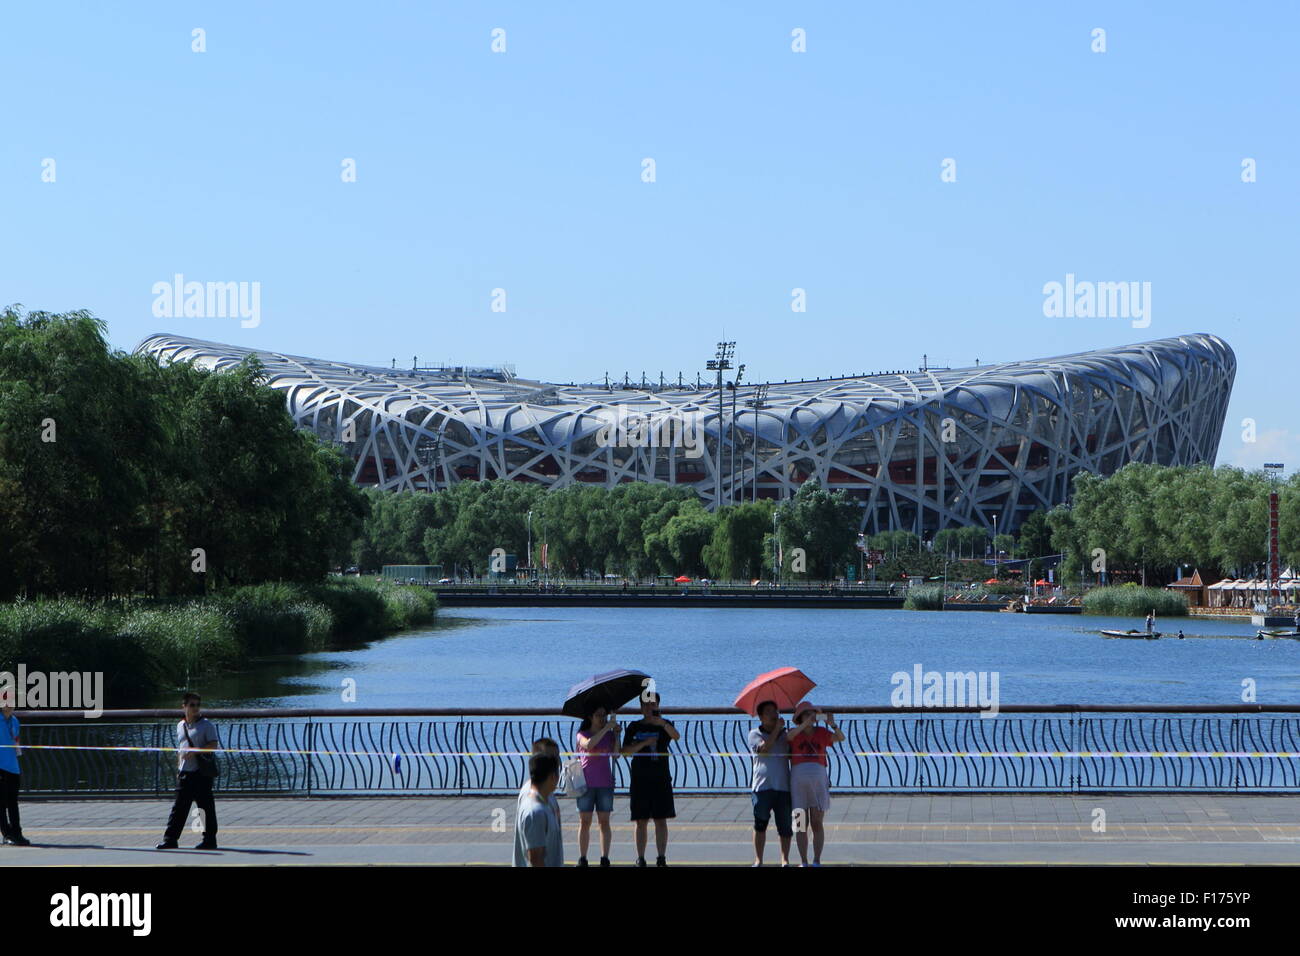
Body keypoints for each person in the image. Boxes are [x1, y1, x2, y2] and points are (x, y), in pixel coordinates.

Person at [621, 691, 679, 866]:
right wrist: (643, 744)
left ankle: (661, 857)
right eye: (645, 704)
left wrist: (661, 723)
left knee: (661, 819)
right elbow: (625, 751)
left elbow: (676, 736)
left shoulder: (665, 724)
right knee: (641, 820)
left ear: (658, 705)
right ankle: (641, 857)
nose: (649, 707)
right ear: (640, 707)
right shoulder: (634, 727)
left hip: (661, 777)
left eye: (653, 704)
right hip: (640, 778)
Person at [157, 692, 219, 850]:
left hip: (201, 773)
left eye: (198, 705)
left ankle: (209, 839)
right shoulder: (180, 725)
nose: (196, 708)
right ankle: (170, 839)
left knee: (205, 807)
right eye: (192, 705)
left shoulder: (206, 725)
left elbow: (213, 745)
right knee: (179, 807)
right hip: (186, 773)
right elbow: (181, 749)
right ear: (184, 706)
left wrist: (196, 751)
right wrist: (179, 768)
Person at [787, 700, 845, 867]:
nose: (811, 717)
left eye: (812, 714)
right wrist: (804, 723)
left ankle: (816, 860)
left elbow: (841, 738)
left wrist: (832, 724)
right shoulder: (794, 732)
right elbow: (788, 738)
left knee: (817, 822)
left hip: (818, 780)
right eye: (806, 713)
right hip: (798, 782)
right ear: (799, 717)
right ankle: (803, 860)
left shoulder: (821, 732)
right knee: (800, 823)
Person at [748, 700, 792, 866]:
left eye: (775, 711)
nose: (774, 715)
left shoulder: (785, 735)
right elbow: (764, 750)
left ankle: (785, 859)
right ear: (760, 717)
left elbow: (793, 756)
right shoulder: (754, 734)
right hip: (761, 787)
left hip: (783, 786)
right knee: (760, 824)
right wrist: (778, 730)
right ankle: (759, 859)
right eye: (769, 712)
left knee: (786, 827)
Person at [575, 706, 619, 866]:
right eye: (598, 715)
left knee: (604, 822)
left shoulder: (608, 735)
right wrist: (607, 728)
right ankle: (582, 857)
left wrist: (616, 735)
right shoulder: (582, 734)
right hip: (585, 783)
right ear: (590, 717)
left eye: (604, 715)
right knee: (584, 821)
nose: (602, 718)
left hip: (605, 783)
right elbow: (589, 745)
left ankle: (604, 857)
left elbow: (616, 754)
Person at [518, 738, 565, 864]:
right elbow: (536, 858)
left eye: (557, 757)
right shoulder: (533, 807)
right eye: (551, 757)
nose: (557, 762)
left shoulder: (548, 794)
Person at [0, 699, 29, 846]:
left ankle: (18, 833)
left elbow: (15, 742)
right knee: (1, 803)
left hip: (13, 766)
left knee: (13, 802)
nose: (9, 705)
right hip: (0, 767)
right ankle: (7, 833)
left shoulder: (15, 721)